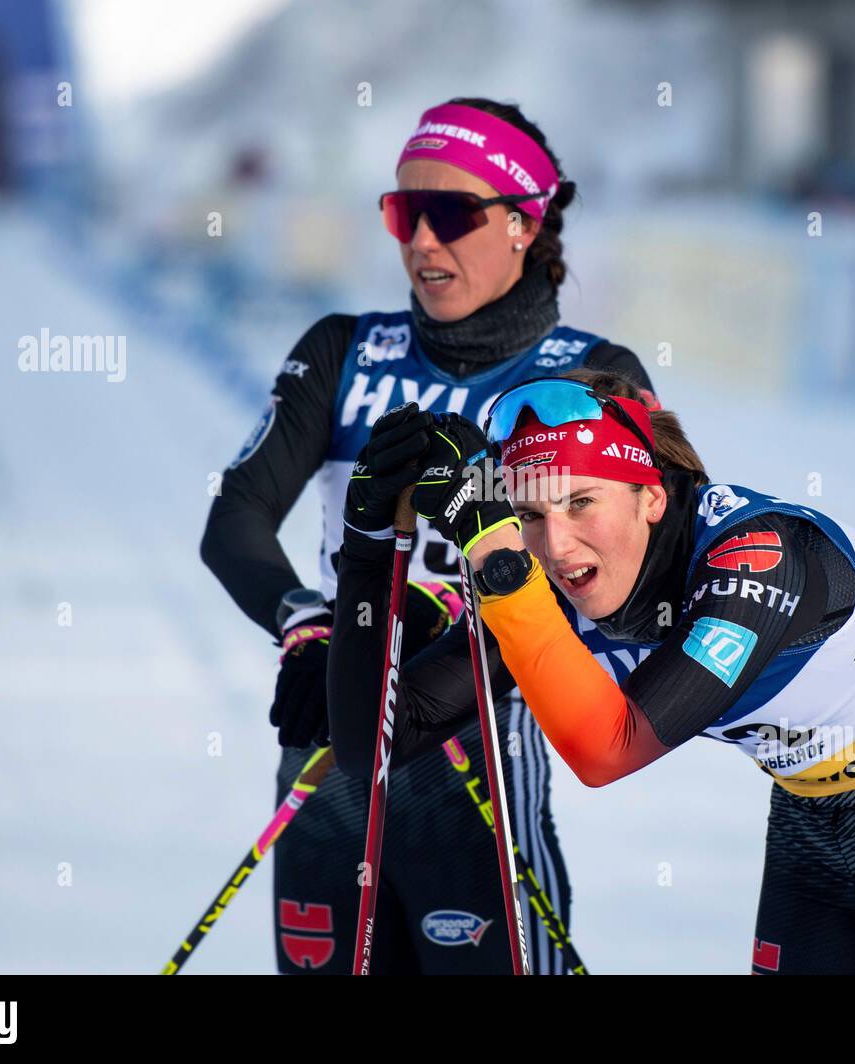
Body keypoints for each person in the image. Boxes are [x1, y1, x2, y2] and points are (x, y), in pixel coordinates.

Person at [328, 369, 855, 975]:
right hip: (814, 824)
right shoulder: (554, 578)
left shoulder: (757, 554)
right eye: (527, 515)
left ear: (650, 495)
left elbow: (608, 747)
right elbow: (376, 746)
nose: (556, 545)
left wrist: (494, 556)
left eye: (581, 502)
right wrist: (364, 548)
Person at [200, 99, 654, 973]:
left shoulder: (593, 378)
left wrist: (447, 606)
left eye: (451, 214)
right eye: (404, 213)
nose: (421, 242)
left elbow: (627, 585)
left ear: (525, 222)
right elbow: (236, 520)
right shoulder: (342, 351)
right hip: (334, 737)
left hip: (477, 750)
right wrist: (308, 623)